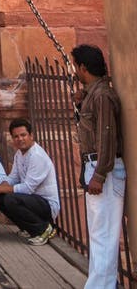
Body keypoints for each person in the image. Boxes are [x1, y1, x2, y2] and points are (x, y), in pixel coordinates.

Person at [71, 44, 125, 288]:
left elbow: (106, 135)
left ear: (83, 67)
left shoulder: (102, 96)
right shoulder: (93, 94)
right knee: (98, 234)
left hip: (104, 169)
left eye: (76, 67)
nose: (75, 72)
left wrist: (100, 174)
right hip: (94, 166)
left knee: (104, 235)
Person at [0, 118, 60, 245]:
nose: (20, 139)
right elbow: (13, 178)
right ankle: (29, 229)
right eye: (16, 136)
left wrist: (1, 188)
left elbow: (28, 188)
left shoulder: (37, 156)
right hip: (31, 201)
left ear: (31, 136)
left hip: (46, 205)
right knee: (0, 196)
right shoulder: (19, 154)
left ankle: (43, 229)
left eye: (23, 135)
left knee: (10, 199)